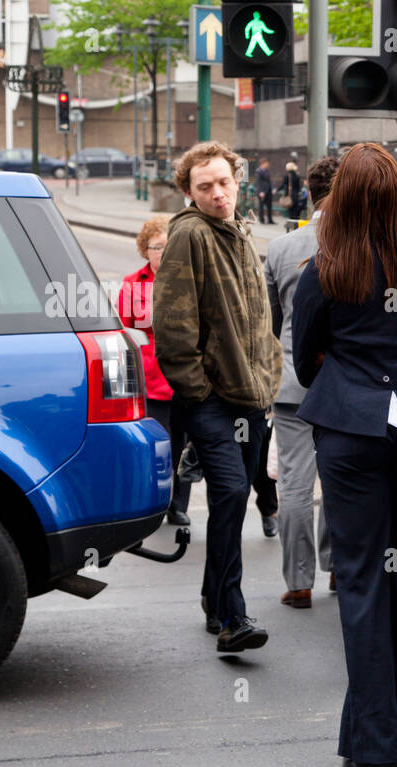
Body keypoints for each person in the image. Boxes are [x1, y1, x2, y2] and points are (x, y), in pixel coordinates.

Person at [292, 143, 397, 767]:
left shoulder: (322, 271)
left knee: (361, 579)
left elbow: (305, 359)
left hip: (351, 431)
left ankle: (377, 742)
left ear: (344, 202)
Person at [153, 141, 282, 654]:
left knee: (236, 500)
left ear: (237, 180)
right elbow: (172, 323)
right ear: (189, 191)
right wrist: (197, 389)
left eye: (224, 182)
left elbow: (259, 317)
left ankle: (213, 599)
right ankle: (232, 616)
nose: (217, 193)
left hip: (251, 398)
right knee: (229, 492)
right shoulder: (189, 234)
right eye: (204, 186)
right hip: (211, 400)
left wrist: (268, 377)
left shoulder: (239, 232)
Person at [265, 155, 340, 609]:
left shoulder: (281, 248)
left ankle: (298, 582)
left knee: (293, 484)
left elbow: (273, 321)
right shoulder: (359, 243)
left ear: (307, 193)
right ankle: (336, 567)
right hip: (343, 386)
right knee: (338, 478)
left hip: (292, 384)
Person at [118, 215, 191, 527]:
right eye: (157, 247)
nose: (163, 253)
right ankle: (155, 503)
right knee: (158, 445)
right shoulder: (132, 284)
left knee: (183, 442)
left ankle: (179, 505)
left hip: (186, 377)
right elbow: (123, 332)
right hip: (151, 379)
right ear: (145, 250)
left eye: (168, 246)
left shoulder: (188, 281)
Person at [255, 159, 274, 225]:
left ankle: (270, 220)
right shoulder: (258, 171)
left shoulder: (267, 171)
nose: (267, 165)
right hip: (262, 192)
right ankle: (261, 220)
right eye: (266, 163)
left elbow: (268, 181)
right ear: (262, 163)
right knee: (261, 206)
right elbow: (258, 182)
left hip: (268, 191)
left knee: (269, 206)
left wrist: (272, 189)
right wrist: (261, 192)